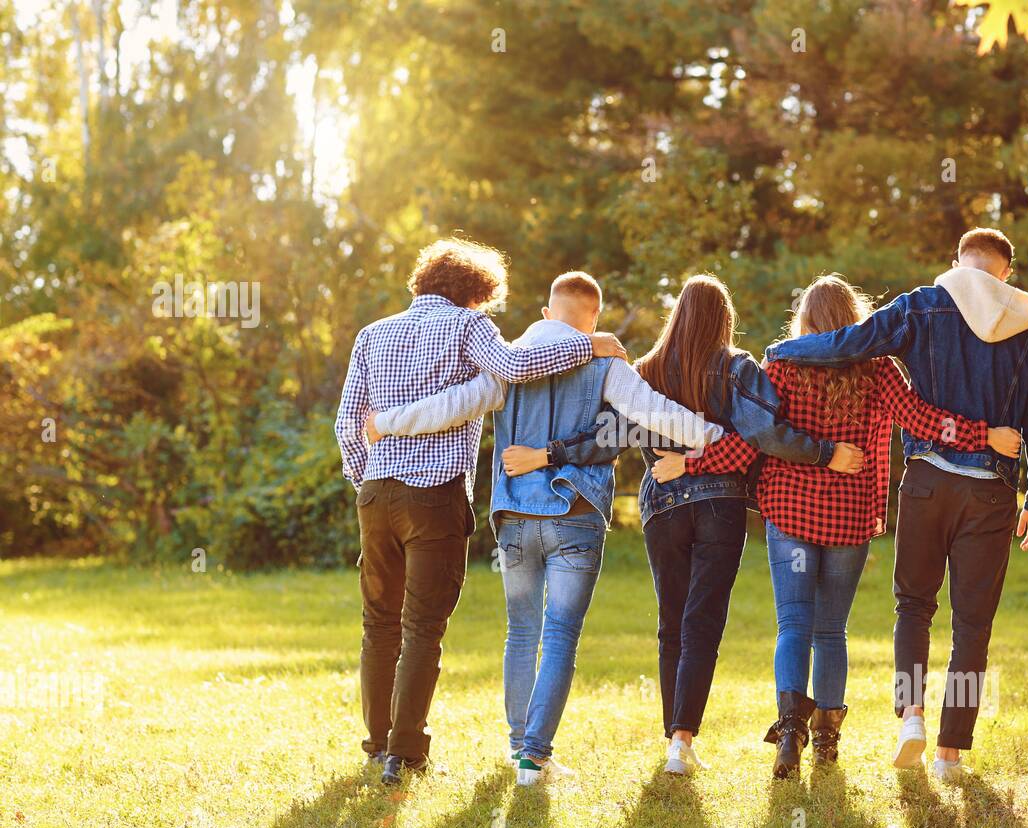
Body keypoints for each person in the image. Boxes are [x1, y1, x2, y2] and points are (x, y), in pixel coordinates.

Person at [653, 275, 1023, 779]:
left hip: (789, 509)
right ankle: (827, 737)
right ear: (855, 319)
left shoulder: (782, 363)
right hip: (848, 516)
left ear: (806, 321)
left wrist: (692, 463)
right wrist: (985, 435)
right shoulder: (876, 368)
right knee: (831, 630)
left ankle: (790, 732)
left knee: (793, 624)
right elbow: (922, 420)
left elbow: (755, 439)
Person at [365, 271, 722, 785]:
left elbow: (451, 406)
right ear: (593, 320)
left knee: (521, 633)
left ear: (546, 313)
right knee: (559, 636)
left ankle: (518, 749)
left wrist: (388, 421)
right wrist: (714, 434)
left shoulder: (507, 359)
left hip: (513, 517)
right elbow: (659, 415)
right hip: (574, 515)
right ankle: (534, 758)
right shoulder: (604, 360)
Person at [506, 274, 863, 776]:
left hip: (662, 507)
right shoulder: (739, 369)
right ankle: (682, 741)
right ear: (725, 320)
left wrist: (552, 453)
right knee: (703, 621)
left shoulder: (643, 369)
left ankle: (673, 737)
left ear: (676, 316)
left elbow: (610, 435)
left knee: (670, 621)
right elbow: (761, 436)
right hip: (720, 506)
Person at [765, 228, 1028, 782]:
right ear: (1006, 275)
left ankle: (911, 716)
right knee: (973, 624)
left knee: (913, 608)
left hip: (925, 485)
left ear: (957, 262)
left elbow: (848, 341)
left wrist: (786, 349)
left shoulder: (921, 306)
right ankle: (949, 753)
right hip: (989, 492)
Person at [333, 240, 627, 786]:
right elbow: (517, 365)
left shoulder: (371, 335)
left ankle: (377, 745)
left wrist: (365, 482)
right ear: (476, 292)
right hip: (434, 494)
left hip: (376, 496)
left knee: (378, 623)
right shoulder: (470, 328)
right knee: (422, 627)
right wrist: (587, 346)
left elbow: (347, 425)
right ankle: (405, 754)